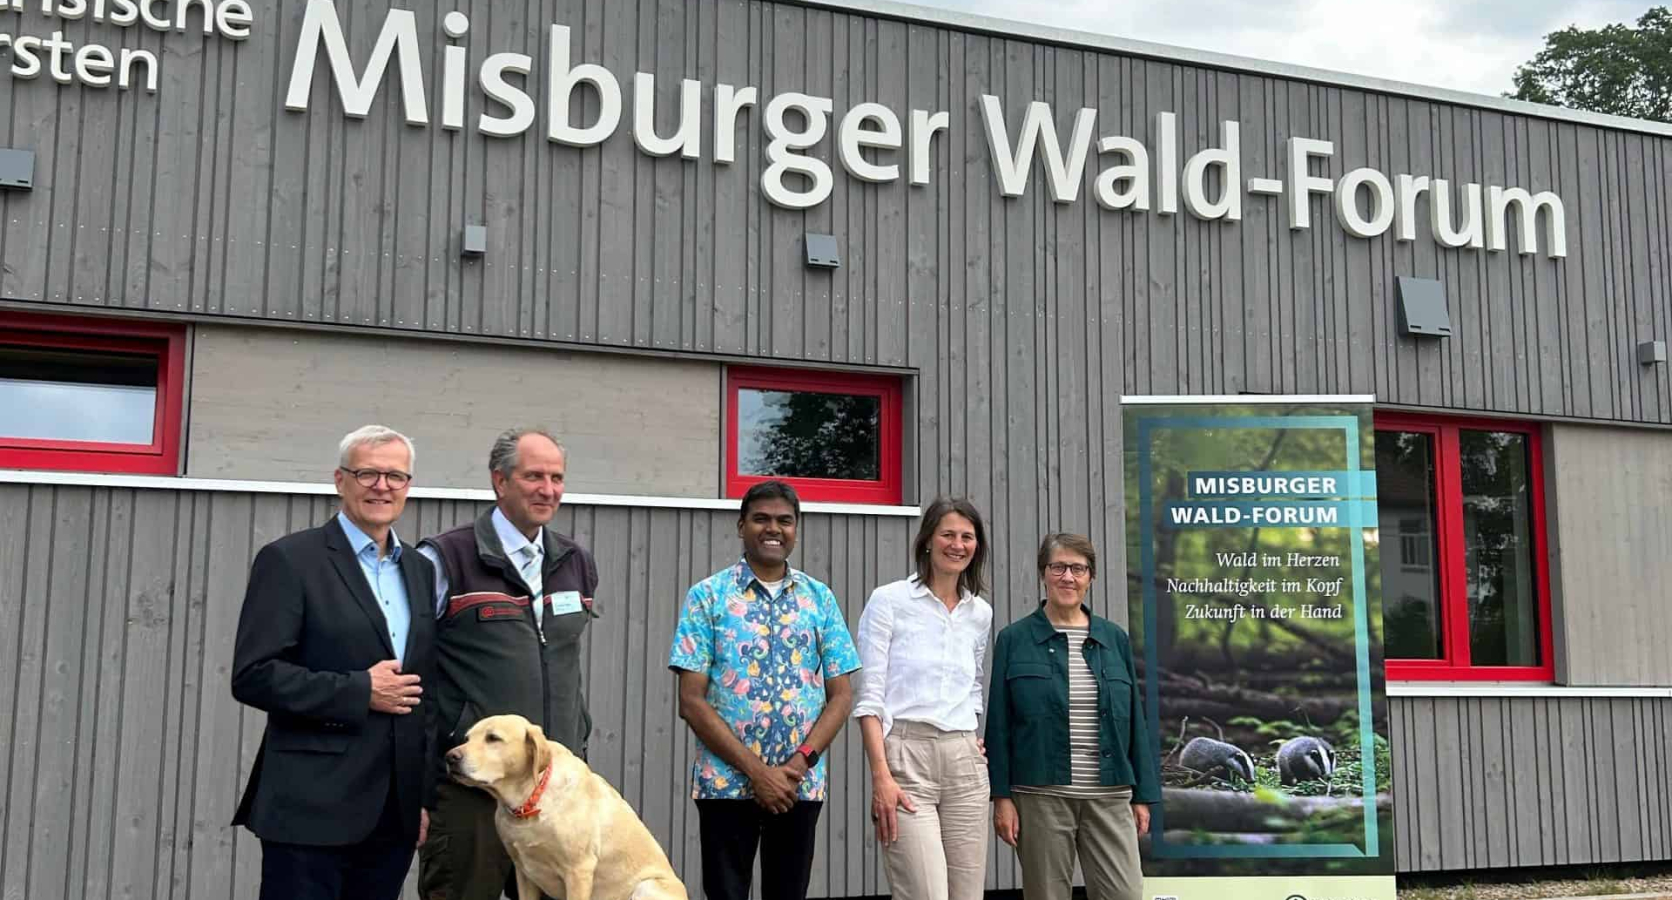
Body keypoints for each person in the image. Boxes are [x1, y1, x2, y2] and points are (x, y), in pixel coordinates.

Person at [230, 425, 436, 900]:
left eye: (395, 476)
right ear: (340, 480)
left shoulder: (420, 570)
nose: (382, 486)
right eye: (367, 474)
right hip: (311, 807)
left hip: (393, 813)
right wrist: (360, 690)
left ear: (408, 485)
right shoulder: (290, 560)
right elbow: (254, 675)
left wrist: (421, 798)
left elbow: (426, 692)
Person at [416, 427, 600, 900]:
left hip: (551, 790)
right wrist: (418, 785)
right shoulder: (444, 558)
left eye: (557, 478)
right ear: (500, 481)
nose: (548, 490)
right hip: (469, 792)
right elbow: (409, 668)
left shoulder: (575, 561)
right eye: (534, 476)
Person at [667, 480, 862, 900]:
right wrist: (758, 773)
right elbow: (691, 701)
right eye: (761, 519)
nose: (773, 528)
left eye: (784, 521)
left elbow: (842, 696)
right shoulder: (707, 597)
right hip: (725, 785)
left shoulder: (819, 599)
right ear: (741, 526)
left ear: (796, 530)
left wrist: (798, 763)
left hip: (798, 786)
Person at [984, 533, 1160, 900]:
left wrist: (1143, 794)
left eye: (1078, 569)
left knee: (1124, 894)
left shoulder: (1114, 638)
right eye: (1058, 567)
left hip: (1110, 794)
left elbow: (1135, 722)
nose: (1068, 577)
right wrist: (1001, 797)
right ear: (1043, 574)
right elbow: (999, 726)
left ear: (1090, 577)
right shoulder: (1014, 639)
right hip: (1040, 796)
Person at [853, 497, 994, 900]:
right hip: (905, 759)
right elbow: (869, 697)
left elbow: (973, 685)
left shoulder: (979, 613)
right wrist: (881, 775)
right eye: (948, 534)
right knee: (925, 893)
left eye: (967, 537)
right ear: (928, 541)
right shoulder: (889, 601)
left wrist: (970, 735)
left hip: (964, 763)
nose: (958, 544)